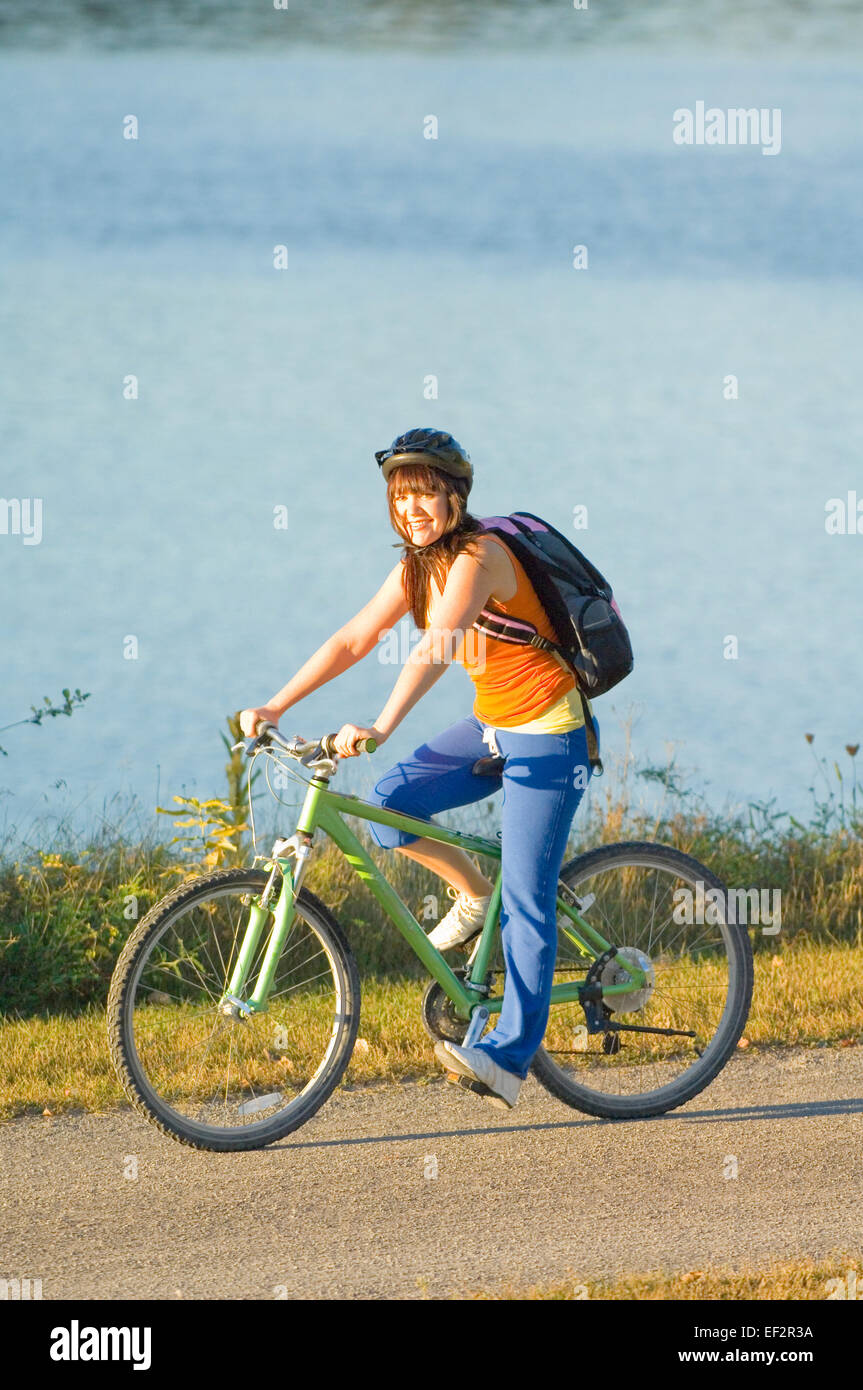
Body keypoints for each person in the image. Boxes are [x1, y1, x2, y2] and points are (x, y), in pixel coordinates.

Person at [240, 427, 598, 1110]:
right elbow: (355, 637)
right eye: (400, 498)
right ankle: (471, 895)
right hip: (492, 725)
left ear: (455, 497)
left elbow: (439, 644)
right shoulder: (416, 564)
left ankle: (506, 1058)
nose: (412, 510)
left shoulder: (478, 557)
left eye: (426, 495)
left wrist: (380, 724)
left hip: (548, 735)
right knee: (389, 806)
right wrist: (277, 702)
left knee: (527, 900)